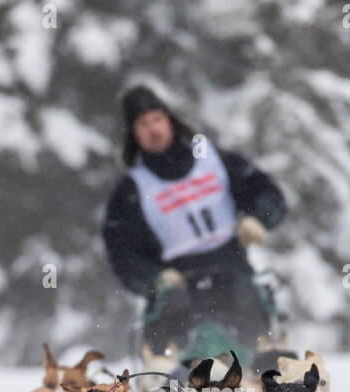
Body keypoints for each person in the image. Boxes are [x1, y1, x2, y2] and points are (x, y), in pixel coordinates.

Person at [102, 85, 286, 365]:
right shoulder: (131, 191)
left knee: (254, 315)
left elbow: (265, 192)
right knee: (173, 334)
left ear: (170, 121)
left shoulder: (214, 161)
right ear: (133, 135)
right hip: (176, 288)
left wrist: (257, 217)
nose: (153, 130)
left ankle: (263, 381)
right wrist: (154, 278)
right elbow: (122, 254)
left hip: (233, 272)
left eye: (157, 120)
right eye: (142, 124)